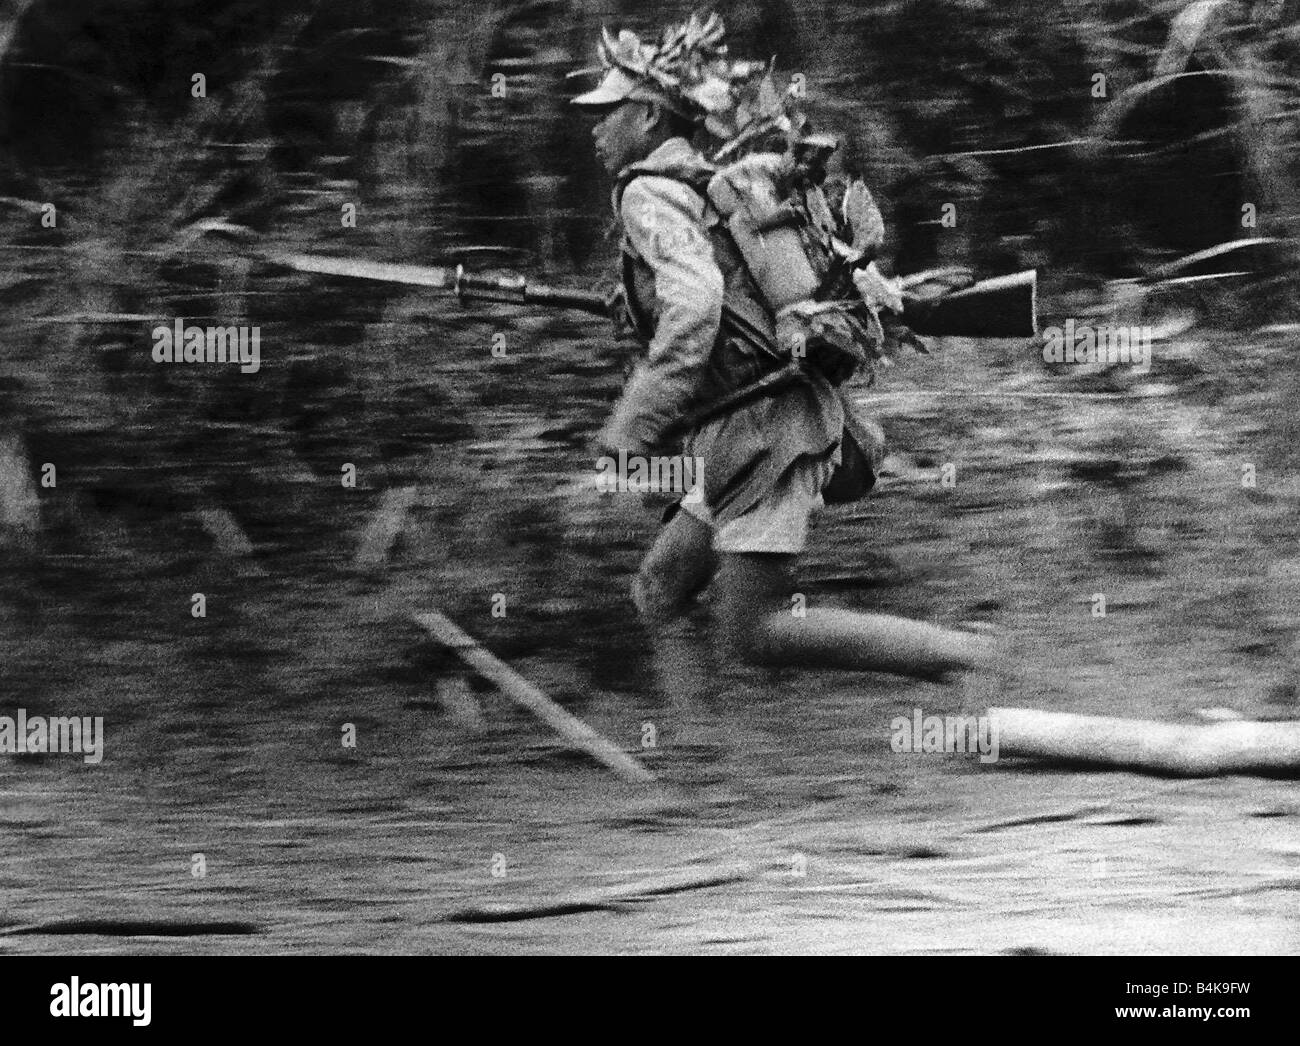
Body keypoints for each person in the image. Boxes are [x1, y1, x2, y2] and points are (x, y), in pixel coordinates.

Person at [571, 26, 994, 692]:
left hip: (760, 430)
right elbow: (720, 296)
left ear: (648, 114)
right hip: (751, 423)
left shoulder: (647, 192)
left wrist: (632, 429)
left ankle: (967, 657)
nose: (594, 128)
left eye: (606, 111)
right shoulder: (703, 183)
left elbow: (697, 305)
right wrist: (637, 304)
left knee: (756, 631)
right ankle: (701, 771)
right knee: (660, 588)